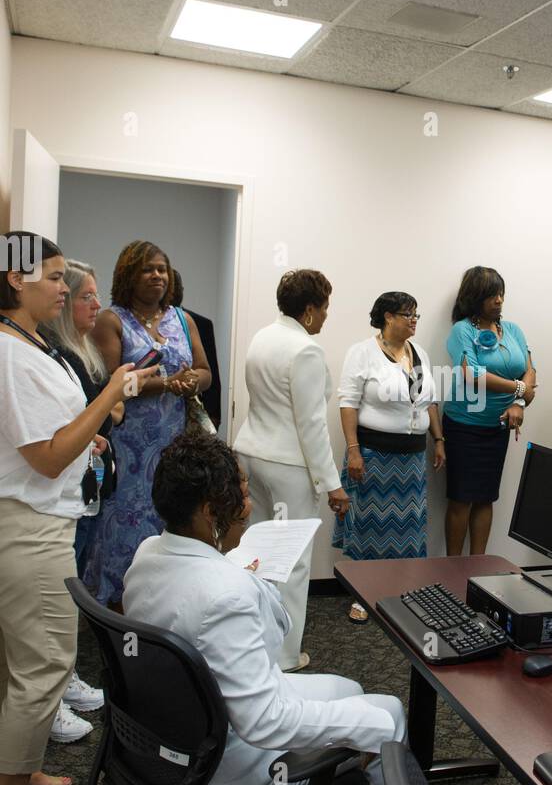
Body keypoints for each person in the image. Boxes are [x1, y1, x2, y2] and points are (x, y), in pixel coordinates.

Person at [123, 434, 420, 785]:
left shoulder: (147, 555)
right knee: (386, 718)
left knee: (350, 688)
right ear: (207, 511)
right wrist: (250, 587)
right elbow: (266, 721)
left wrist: (244, 580)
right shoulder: (224, 591)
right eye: (239, 494)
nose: (247, 504)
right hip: (215, 782)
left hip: (163, 752)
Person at [0, 231, 147, 785]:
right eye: (55, 277)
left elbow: (56, 438)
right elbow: (48, 452)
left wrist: (87, 436)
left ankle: (18, 769)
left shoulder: (33, 343)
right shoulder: (10, 351)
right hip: (31, 529)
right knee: (44, 670)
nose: (65, 289)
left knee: (19, 666)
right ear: (13, 278)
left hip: (43, 515)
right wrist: (110, 396)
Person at [86, 240, 212, 606]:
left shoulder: (181, 319)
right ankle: (115, 604)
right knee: (123, 523)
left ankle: (162, 600)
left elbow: (205, 372)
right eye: (147, 269)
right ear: (128, 275)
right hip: (127, 448)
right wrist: (166, 384)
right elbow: (110, 384)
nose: (157, 275)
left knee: (168, 519)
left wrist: (192, 382)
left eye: (162, 268)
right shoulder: (112, 321)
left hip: (173, 447)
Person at [234, 270, 349, 670]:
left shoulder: (262, 337)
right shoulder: (306, 350)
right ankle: (283, 655)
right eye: (325, 307)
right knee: (294, 562)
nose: (327, 316)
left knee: (258, 555)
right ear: (309, 309)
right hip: (287, 466)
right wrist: (332, 484)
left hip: (251, 454)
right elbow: (312, 425)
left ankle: (254, 644)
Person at [43, 259, 119, 741]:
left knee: (69, 587)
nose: (96, 305)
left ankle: (63, 678)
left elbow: (98, 418)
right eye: (86, 295)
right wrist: (109, 403)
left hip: (84, 486)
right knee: (52, 599)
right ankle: (49, 695)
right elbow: (82, 423)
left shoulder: (79, 351)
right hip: (51, 497)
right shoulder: (50, 354)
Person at [333, 294, 444, 589]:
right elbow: (347, 403)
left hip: (411, 460)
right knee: (370, 526)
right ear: (387, 317)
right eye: (407, 314)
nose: (414, 320)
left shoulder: (418, 353)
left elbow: (428, 402)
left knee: (409, 528)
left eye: (416, 315)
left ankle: (403, 589)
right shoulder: (363, 352)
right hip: (373, 456)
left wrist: (439, 438)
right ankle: (362, 592)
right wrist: (354, 450)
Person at [442, 266, 535, 555]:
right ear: (474, 297)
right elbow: (473, 374)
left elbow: (530, 370)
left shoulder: (513, 330)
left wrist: (518, 403)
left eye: (501, 294)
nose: (499, 300)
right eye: (491, 295)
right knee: (460, 499)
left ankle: (477, 568)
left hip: (497, 428)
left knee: (485, 498)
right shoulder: (462, 330)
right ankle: (452, 569)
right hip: (464, 426)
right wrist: (520, 390)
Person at [172, 269, 222, 432]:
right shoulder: (147, 326)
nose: (175, 292)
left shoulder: (200, 323)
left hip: (193, 406)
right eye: (172, 288)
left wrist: (214, 415)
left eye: (178, 288)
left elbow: (211, 371)